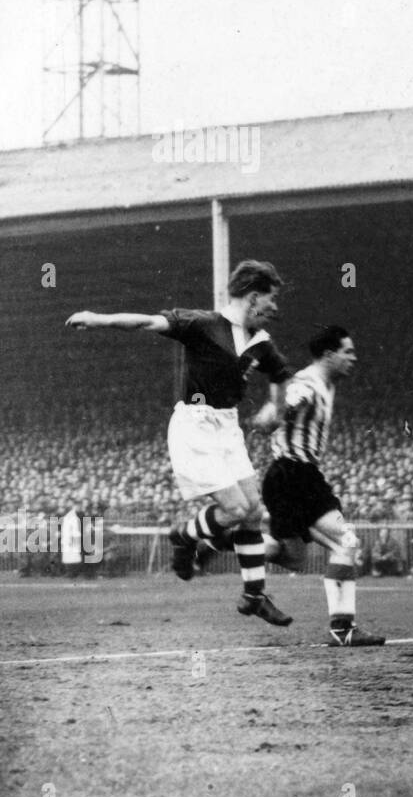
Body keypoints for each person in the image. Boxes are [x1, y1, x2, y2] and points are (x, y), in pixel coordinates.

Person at [65, 259, 294, 626]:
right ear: (253, 297)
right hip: (195, 425)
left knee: (253, 511)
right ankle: (184, 535)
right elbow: (145, 321)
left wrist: (276, 409)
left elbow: (283, 376)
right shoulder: (202, 324)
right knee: (236, 510)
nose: (275, 308)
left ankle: (254, 595)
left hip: (227, 426)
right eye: (272, 299)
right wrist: (98, 318)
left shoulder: (261, 342)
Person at [260, 326, 385, 646]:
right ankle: (343, 629)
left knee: (294, 558)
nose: (353, 358)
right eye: (348, 352)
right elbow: (289, 400)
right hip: (294, 474)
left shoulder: (326, 383)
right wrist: (274, 413)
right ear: (329, 355)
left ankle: (229, 539)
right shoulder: (310, 382)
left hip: (294, 475)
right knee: (346, 541)